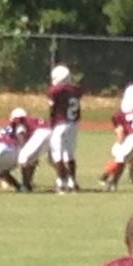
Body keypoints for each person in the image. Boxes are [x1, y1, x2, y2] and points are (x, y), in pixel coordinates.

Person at [47, 64, 82, 193]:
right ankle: (72, 182)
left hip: (60, 124)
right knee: (70, 155)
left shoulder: (55, 90)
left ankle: (61, 182)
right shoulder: (76, 89)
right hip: (73, 124)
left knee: (58, 155)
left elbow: (52, 108)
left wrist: (52, 123)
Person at [9, 107, 52, 192]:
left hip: (41, 133)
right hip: (52, 132)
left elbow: (21, 134)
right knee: (50, 160)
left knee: (23, 157)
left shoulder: (20, 122)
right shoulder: (32, 120)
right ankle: (67, 182)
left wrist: (22, 149)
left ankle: (25, 186)